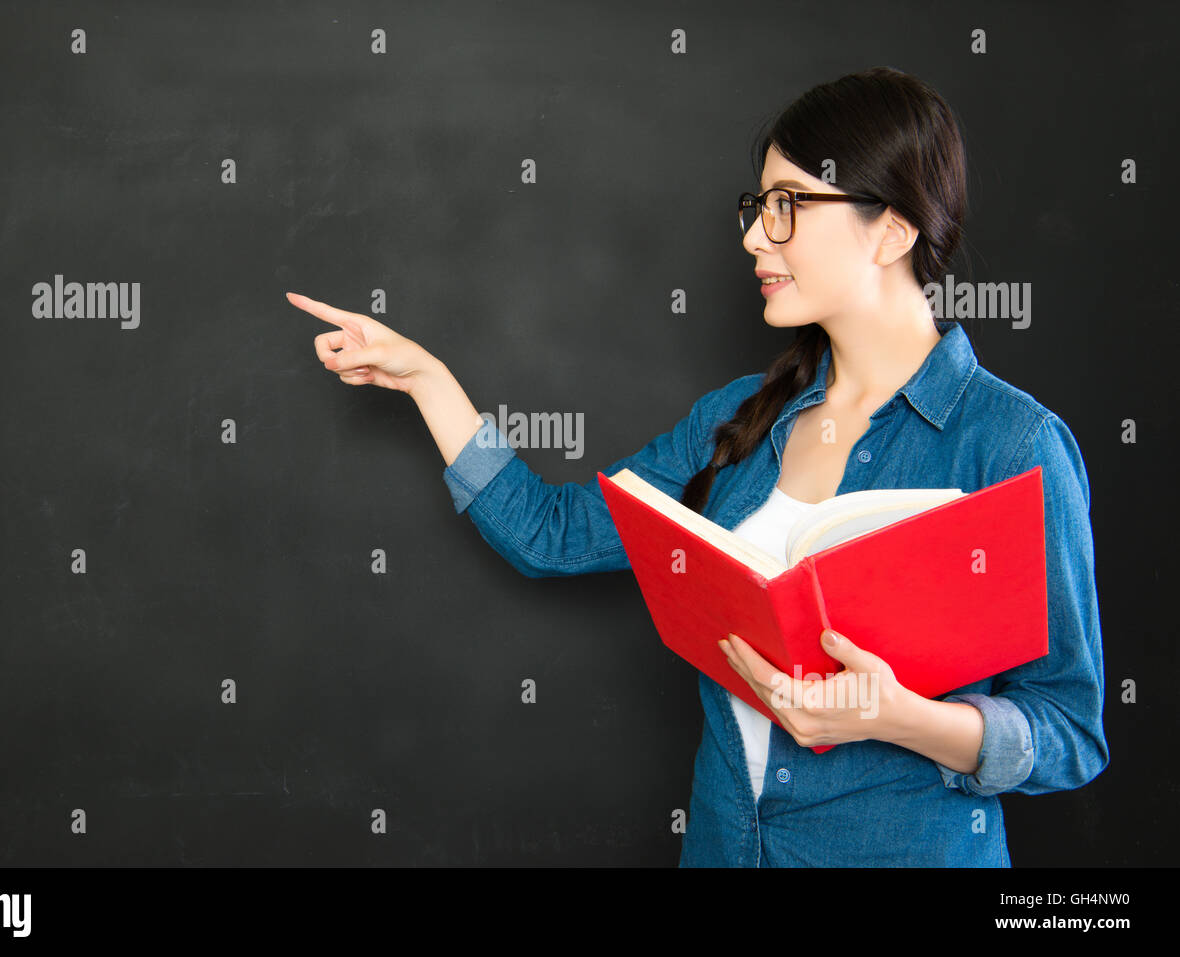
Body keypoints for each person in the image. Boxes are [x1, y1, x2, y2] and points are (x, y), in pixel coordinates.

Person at [285, 66, 1108, 866]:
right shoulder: (737, 417)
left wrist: (899, 718)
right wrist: (424, 376)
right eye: (758, 205)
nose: (754, 234)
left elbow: (1070, 730)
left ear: (891, 230)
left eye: (788, 207)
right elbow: (552, 533)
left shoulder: (1013, 444)